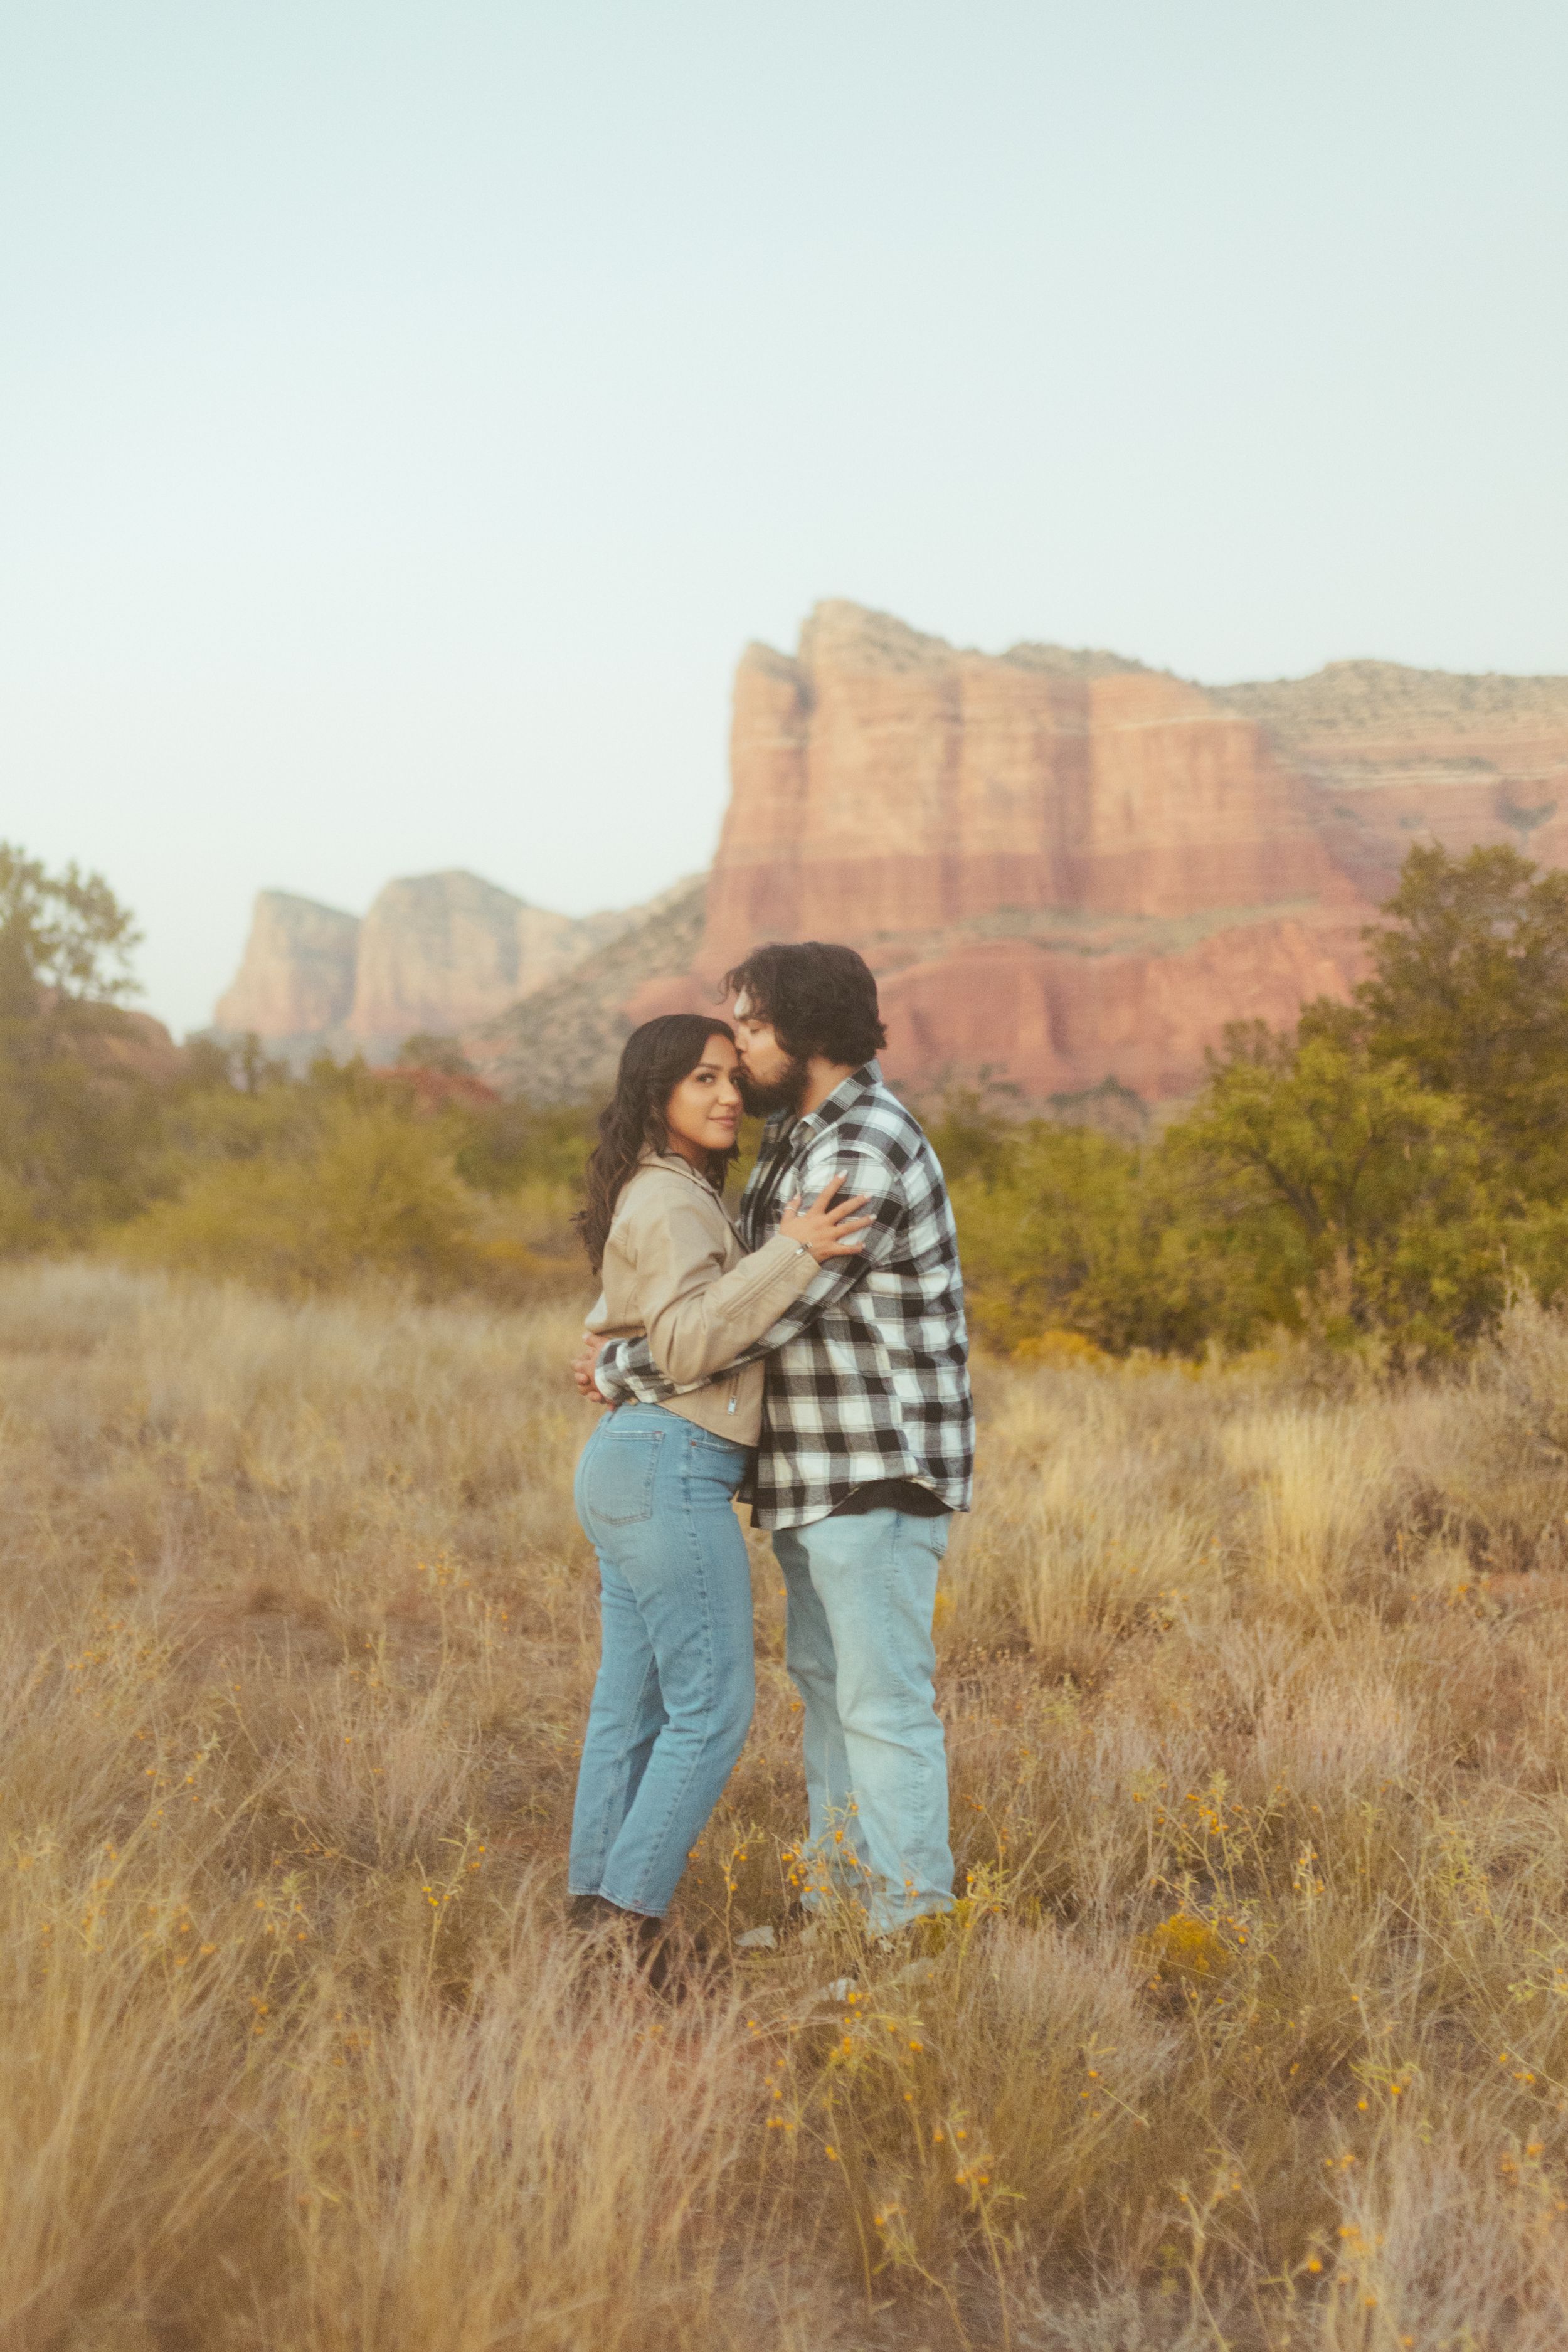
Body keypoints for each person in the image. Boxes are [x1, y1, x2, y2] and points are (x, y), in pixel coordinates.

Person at [578, 945, 974, 1939]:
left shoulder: (863, 1147)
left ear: (808, 1032)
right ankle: (840, 1913)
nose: (740, 1051)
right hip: (809, 1479)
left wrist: (616, 1371)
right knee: (833, 1703)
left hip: (873, 1476)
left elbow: (761, 1320)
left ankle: (910, 1940)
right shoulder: (794, 1144)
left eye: (750, 1029)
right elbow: (728, 1293)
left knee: (881, 1709)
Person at [567, 1012, 869, 1981]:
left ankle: (591, 1918)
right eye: (703, 1078)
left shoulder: (670, 1192)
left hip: (631, 1461)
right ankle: (628, 1927)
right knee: (713, 1708)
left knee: (635, 1705)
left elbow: (632, 1330)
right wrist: (795, 1251)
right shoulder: (672, 1199)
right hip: (671, 1466)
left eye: (734, 1076)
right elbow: (695, 1339)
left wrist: (613, 1366)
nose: (730, 1094)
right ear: (657, 1091)